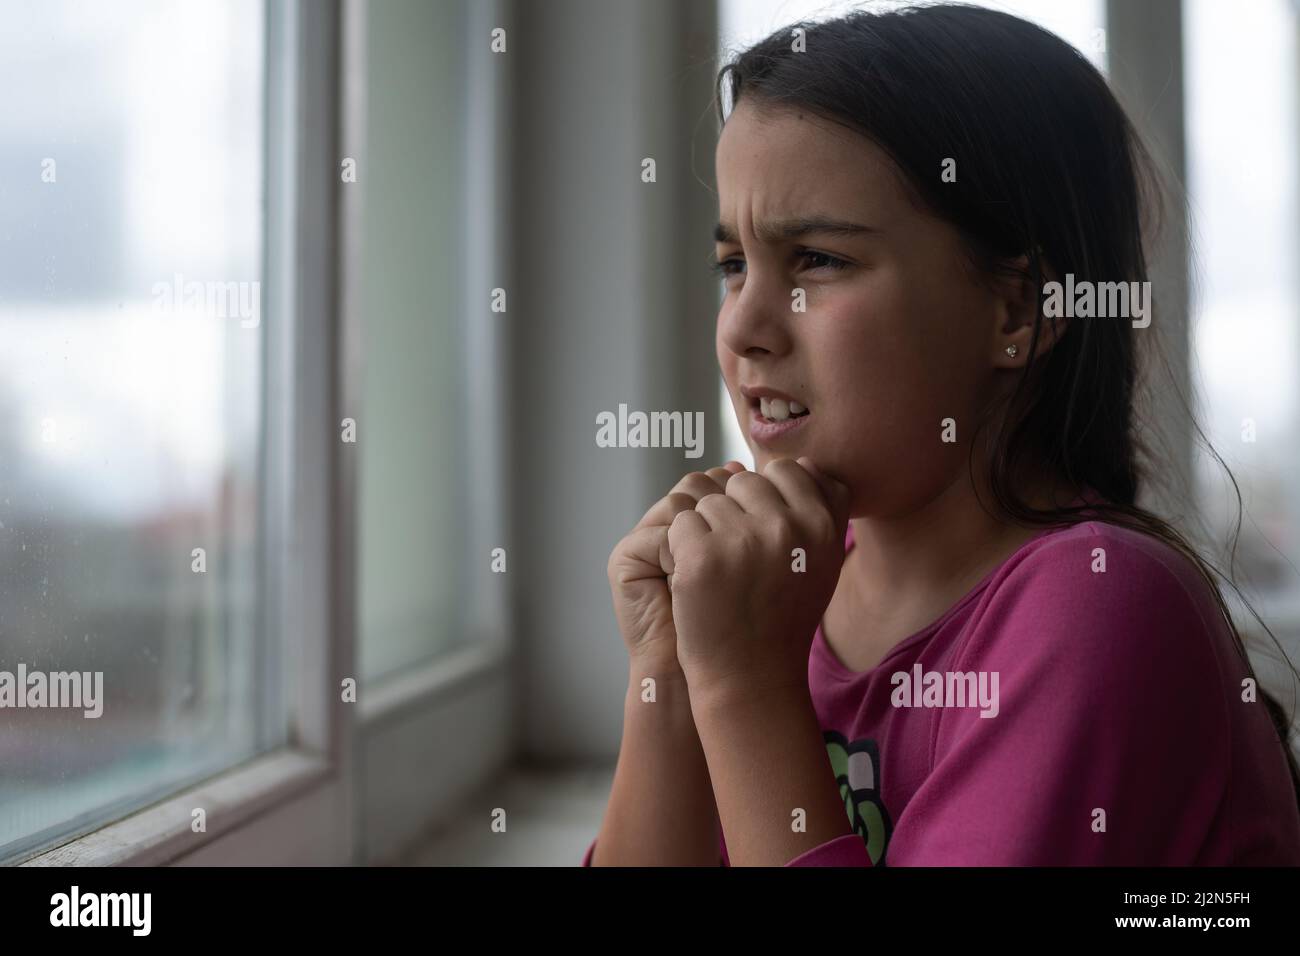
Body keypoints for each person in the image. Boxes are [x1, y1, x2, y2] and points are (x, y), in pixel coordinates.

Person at [584, 3, 1300, 866]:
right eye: (734, 265)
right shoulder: (776, 593)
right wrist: (667, 680)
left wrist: (741, 688)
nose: (743, 329)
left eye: (817, 259)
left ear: (1017, 308)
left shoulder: (1100, 606)